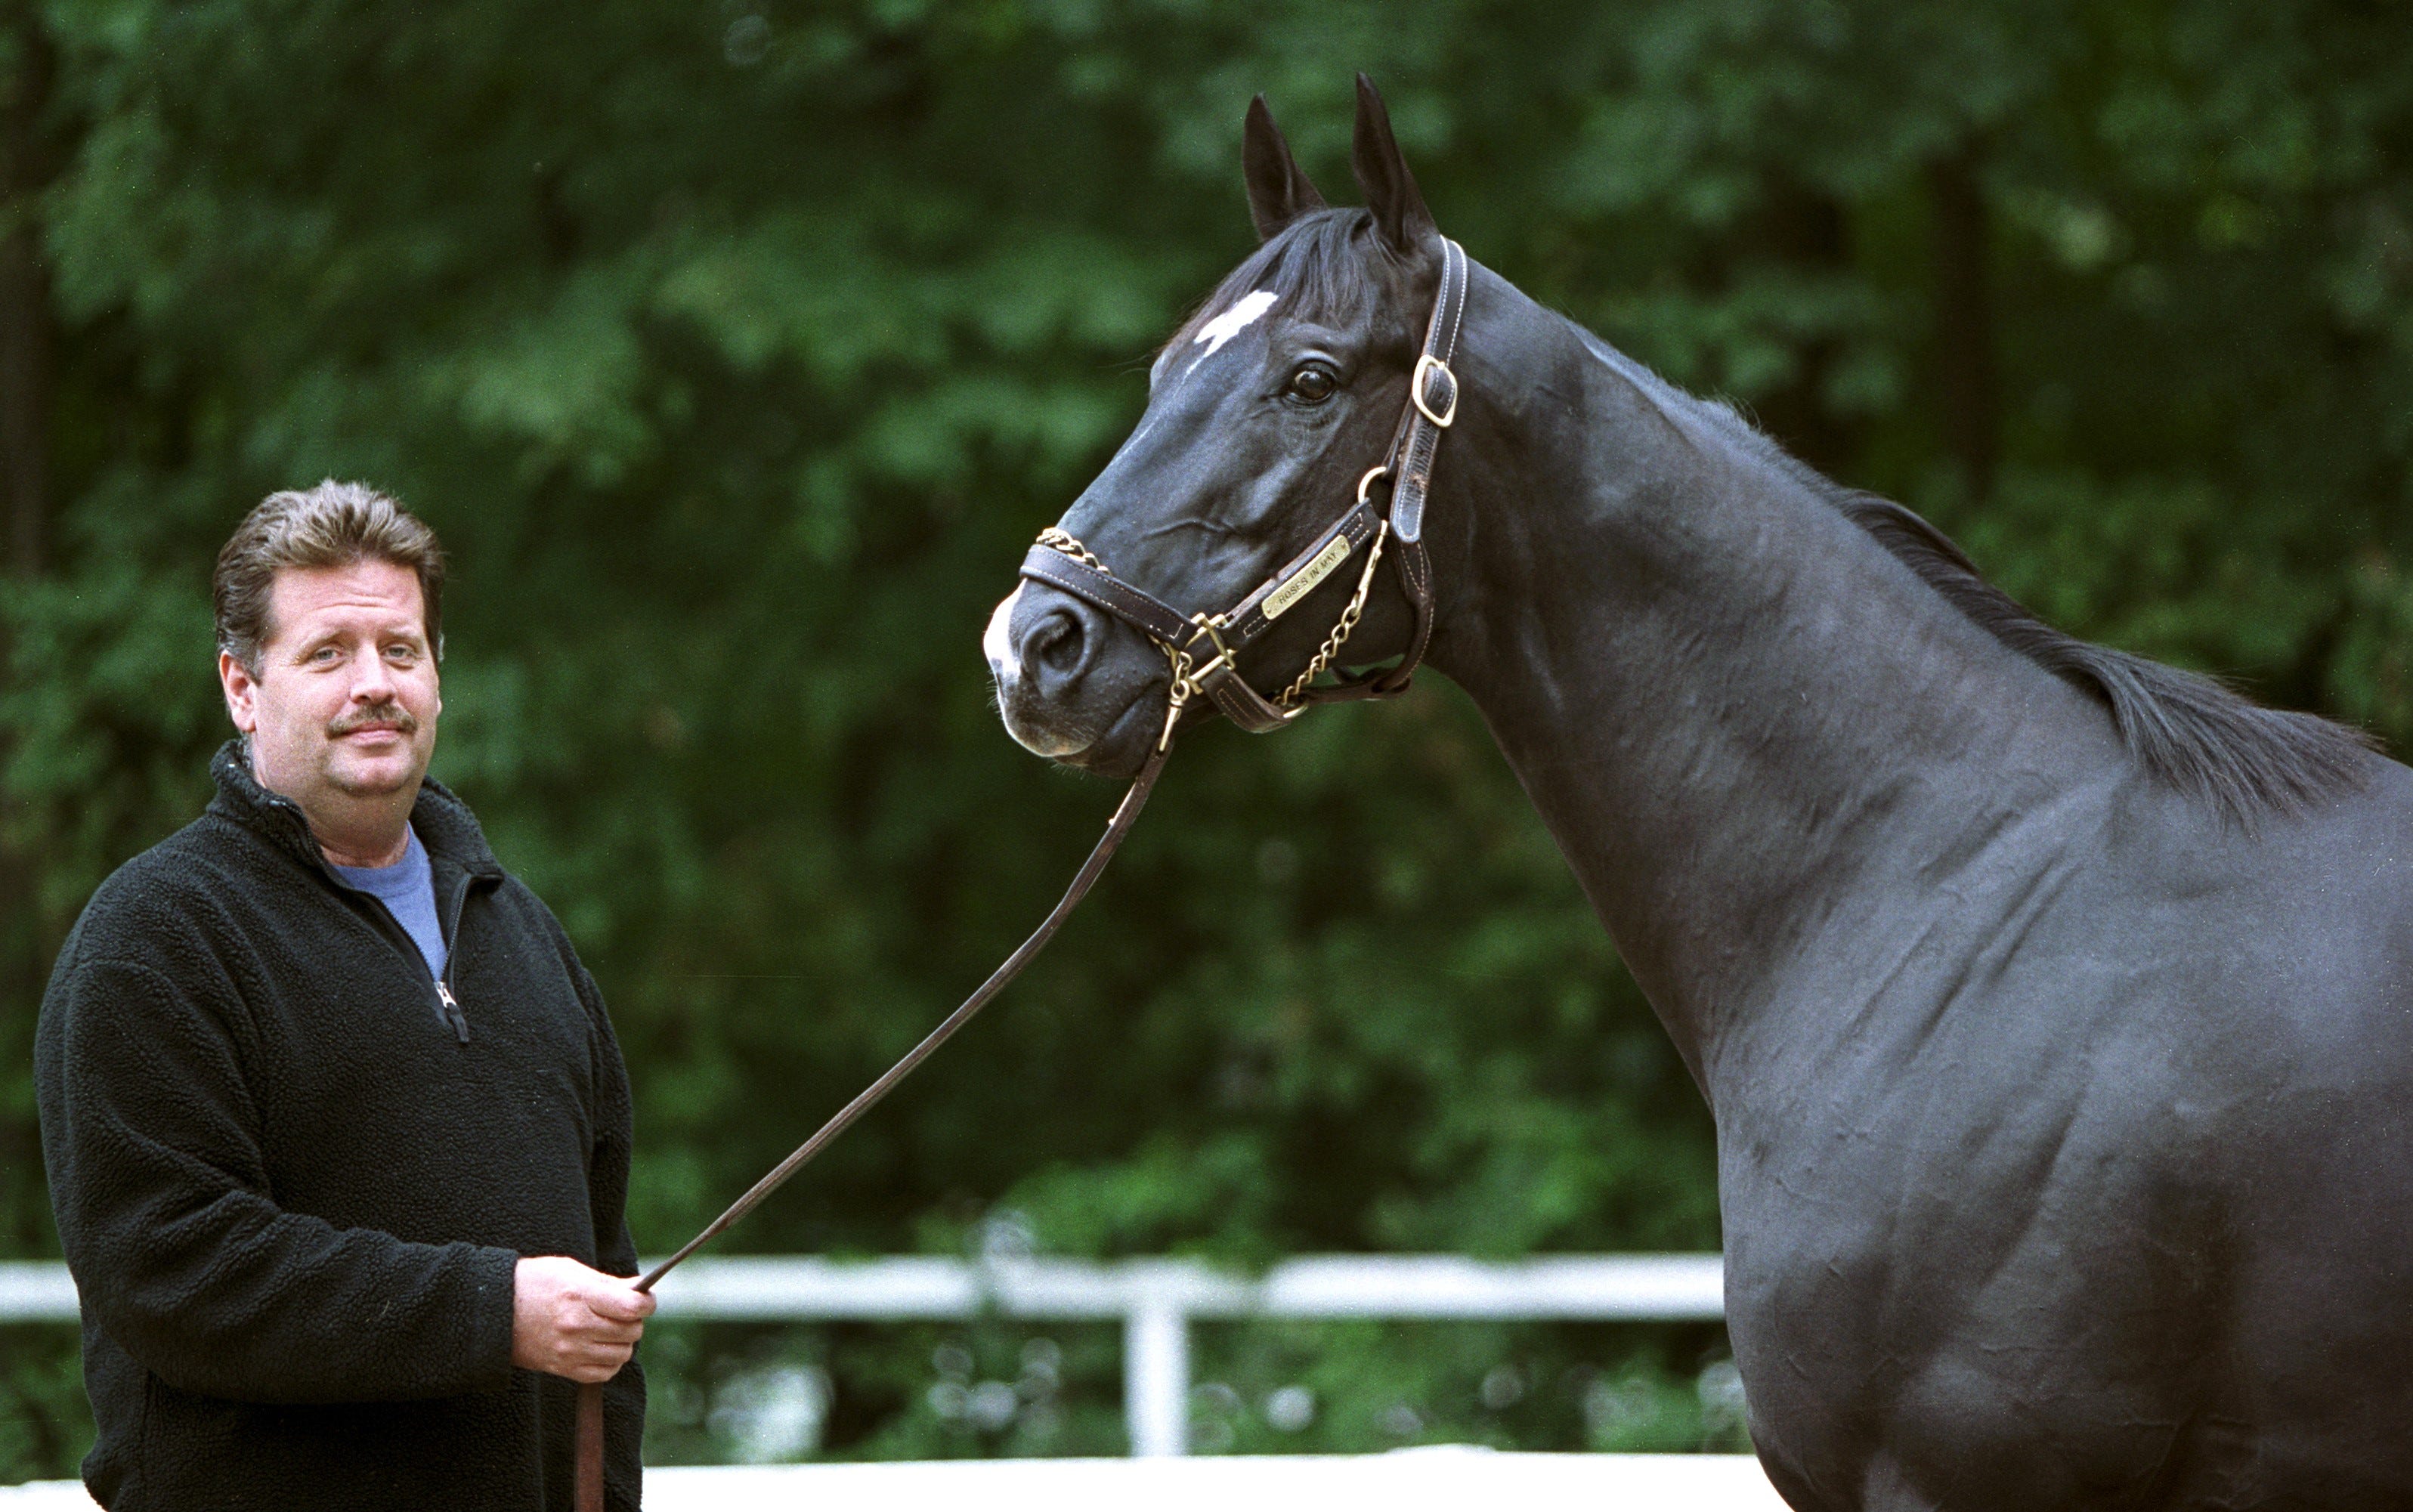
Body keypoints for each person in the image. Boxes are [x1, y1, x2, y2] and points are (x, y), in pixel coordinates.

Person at [35, 482, 651, 1510]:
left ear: (438, 679)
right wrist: (492, 1310)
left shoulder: (524, 936)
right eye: (329, 654)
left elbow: (602, 1294)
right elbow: (174, 1270)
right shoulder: (157, 937)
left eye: (401, 650)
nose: (375, 683)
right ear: (243, 685)